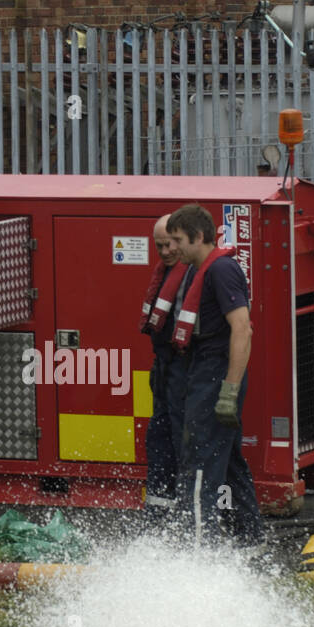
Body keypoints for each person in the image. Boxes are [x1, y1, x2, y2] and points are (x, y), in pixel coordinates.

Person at [165, 202, 265, 547]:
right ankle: (251, 542)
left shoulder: (221, 270)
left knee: (199, 461)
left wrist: (229, 390)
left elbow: (242, 329)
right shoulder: (198, 269)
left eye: (177, 240)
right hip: (203, 370)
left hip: (215, 374)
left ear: (198, 237)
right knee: (229, 461)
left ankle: (195, 552)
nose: (172, 247)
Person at [140, 214, 188, 523]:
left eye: (169, 244)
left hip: (184, 376)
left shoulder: (195, 276)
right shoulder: (169, 274)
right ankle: (158, 518)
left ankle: (177, 518)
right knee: (159, 443)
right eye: (159, 246)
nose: (165, 252)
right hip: (165, 374)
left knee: (182, 446)